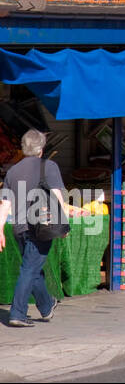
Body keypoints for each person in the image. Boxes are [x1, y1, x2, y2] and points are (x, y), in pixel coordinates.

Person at [0, 130, 71, 327]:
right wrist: (63, 225)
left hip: (18, 229)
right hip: (41, 227)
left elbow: (4, 205)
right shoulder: (48, 166)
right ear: (41, 149)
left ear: (23, 148)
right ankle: (17, 313)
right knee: (29, 269)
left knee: (33, 268)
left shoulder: (12, 172)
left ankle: (47, 306)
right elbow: (58, 197)